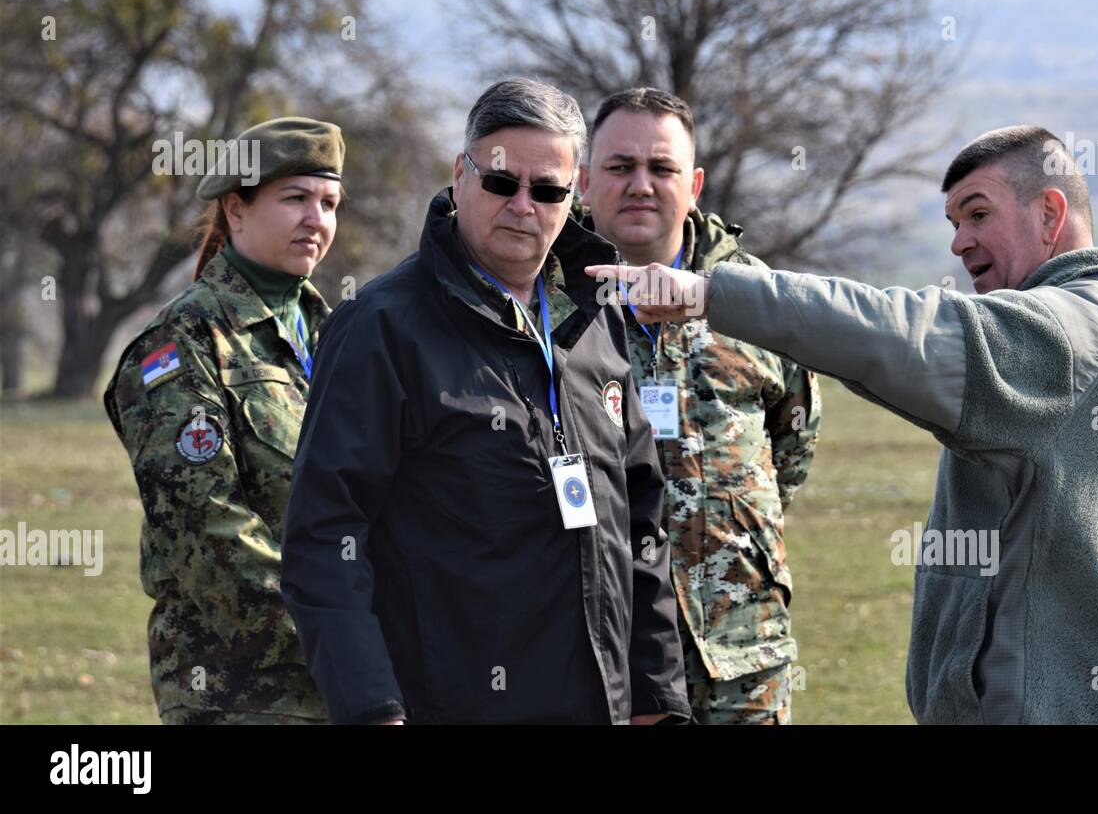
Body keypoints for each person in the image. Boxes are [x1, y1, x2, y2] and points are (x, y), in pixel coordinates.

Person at [589, 125, 1098, 724]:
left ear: (1050, 213)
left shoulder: (1056, 335)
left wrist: (709, 294)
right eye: (953, 223)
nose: (959, 243)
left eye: (978, 214)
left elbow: (892, 331)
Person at [281, 79, 689, 725]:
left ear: (575, 191)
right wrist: (371, 706)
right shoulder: (381, 326)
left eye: (548, 190)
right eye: (502, 182)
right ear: (461, 174)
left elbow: (641, 517)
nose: (523, 205)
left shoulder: (594, 315)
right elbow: (326, 533)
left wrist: (655, 696)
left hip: (600, 702)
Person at [577, 88, 821, 724]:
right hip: (599, 658)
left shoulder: (753, 300)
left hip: (740, 650)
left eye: (662, 169)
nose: (640, 185)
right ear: (581, 180)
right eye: (619, 167)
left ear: (695, 185)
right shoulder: (544, 303)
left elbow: (791, 447)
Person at [104, 116, 345, 724]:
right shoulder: (181, 344)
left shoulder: (339, 333)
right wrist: (345, 636)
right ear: (236, 210)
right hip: (246, 695)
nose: (316, 220)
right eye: (295, 199)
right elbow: (209, 535)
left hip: (348, 685)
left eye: (328, 202)